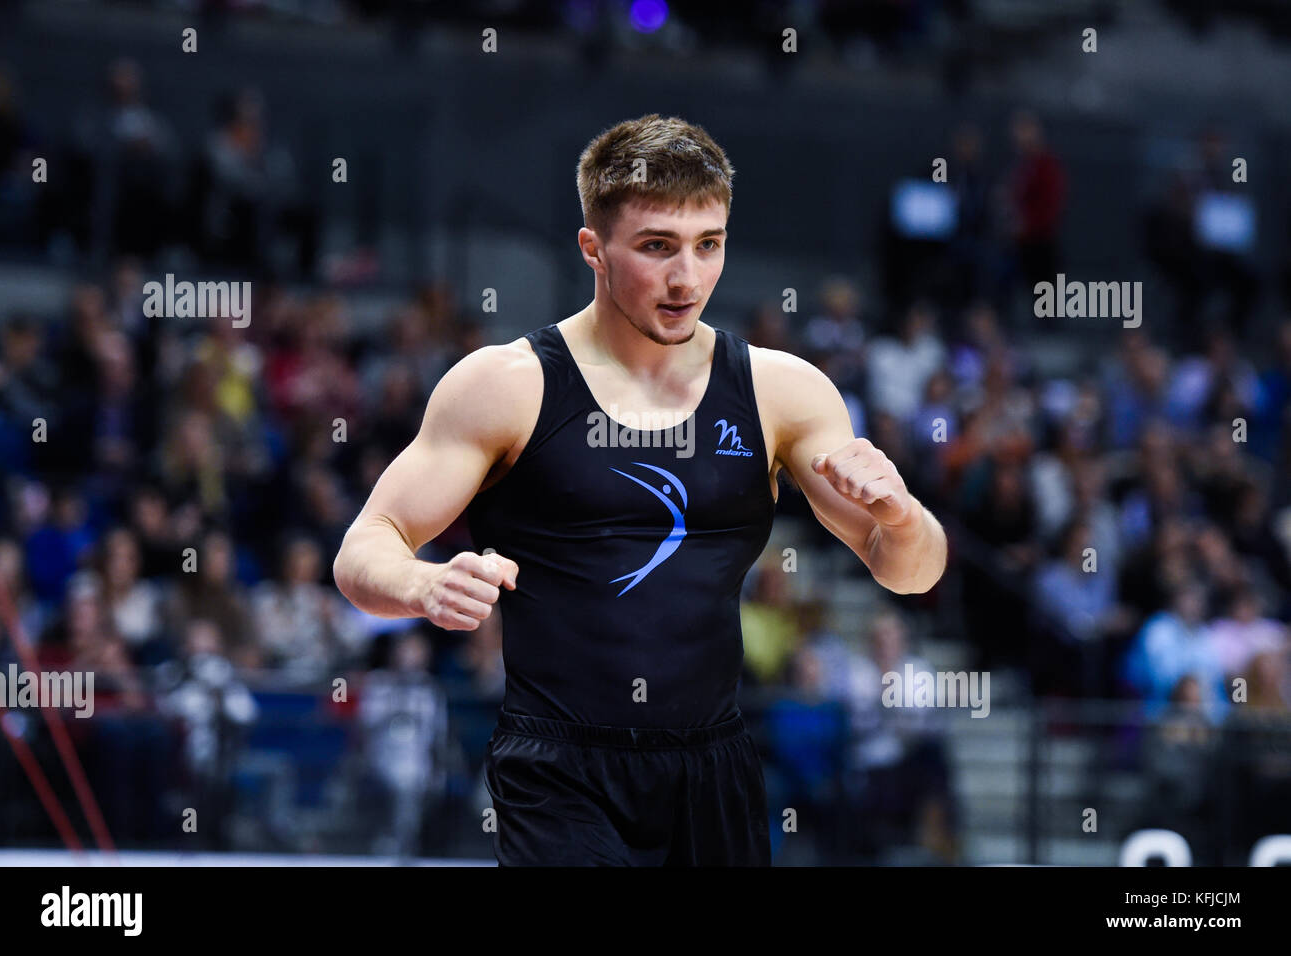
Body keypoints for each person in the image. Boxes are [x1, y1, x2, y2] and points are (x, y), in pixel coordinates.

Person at [333, 114, 948, 867]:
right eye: (657, 247)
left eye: (708, 245)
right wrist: (421, 584)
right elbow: (365, 548)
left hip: (713, 768)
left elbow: (912, 569)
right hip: (558, 771)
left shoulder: (783, 391)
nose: (687, 278)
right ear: (593, 249)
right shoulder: (507, 386)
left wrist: (901, 513)